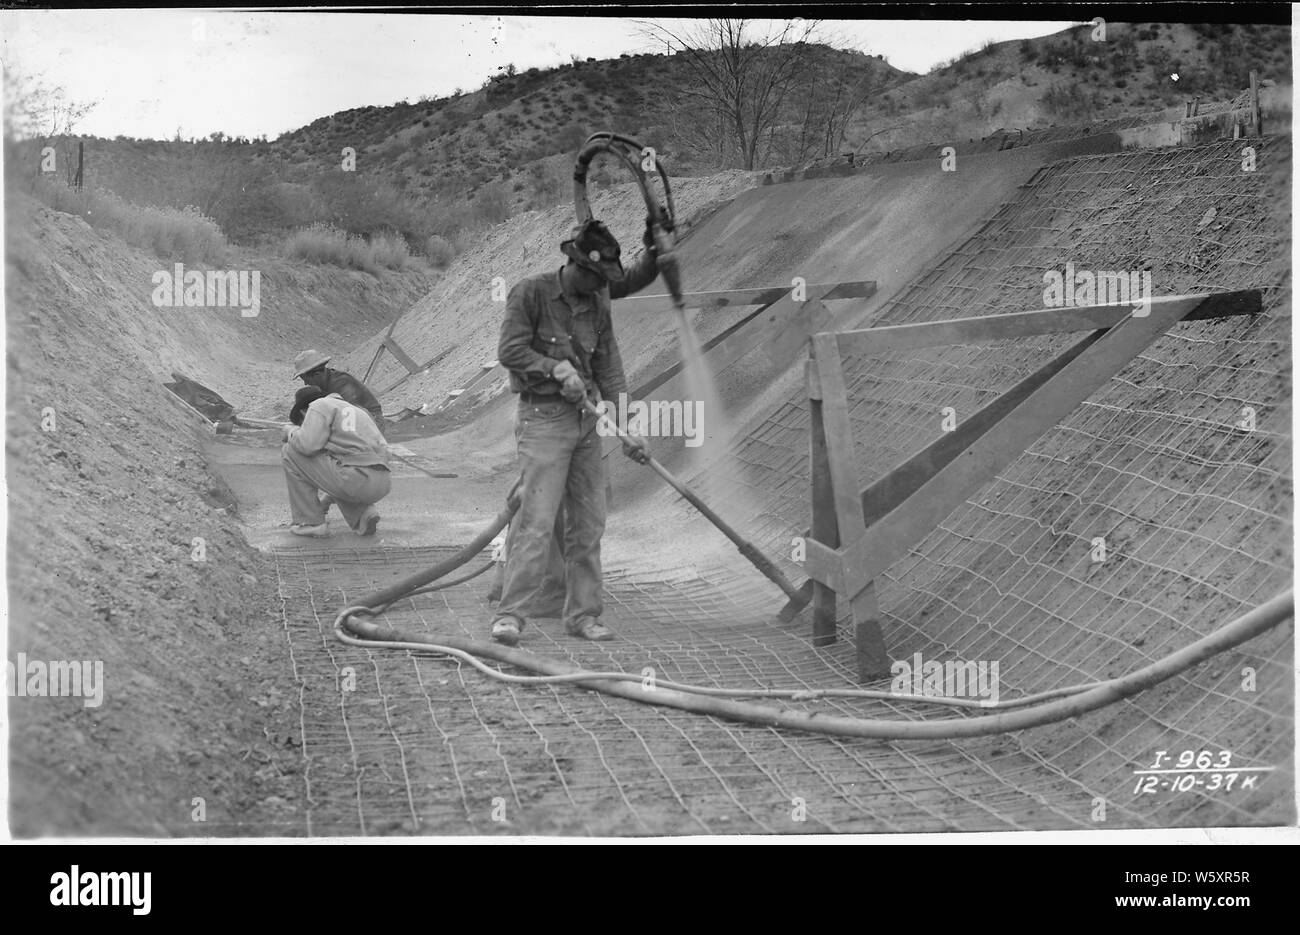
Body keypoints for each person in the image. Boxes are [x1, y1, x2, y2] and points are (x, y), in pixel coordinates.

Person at [489, 217, 667, 645]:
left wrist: (629, 425)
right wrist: (553, 368)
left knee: (588, 524)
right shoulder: (530, 293)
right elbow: (509, 350)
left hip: (586, 425)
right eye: (595, 277)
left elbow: (609, 366)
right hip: (542, 420)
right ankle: (512, 615)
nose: (599, 285)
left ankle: (583, 616)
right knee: (536, 521)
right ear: (575, 266)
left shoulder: (597, 300)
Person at [281, 385, 391, 538]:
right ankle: (363, 514)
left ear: (304, 412)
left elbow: (307, 445)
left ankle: (310, 522)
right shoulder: (357, 410)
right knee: (338, 463)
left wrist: (292, 432)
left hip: (355, 478)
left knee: (291, 450)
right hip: (382, 482)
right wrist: (327, 499)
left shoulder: (318, 406)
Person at [292, 350, 385, 428]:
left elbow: (348, 415)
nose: (306, 383)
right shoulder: (328, 382)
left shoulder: (342, 383)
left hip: (372, 422)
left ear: (316, 375)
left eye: (306, 380)